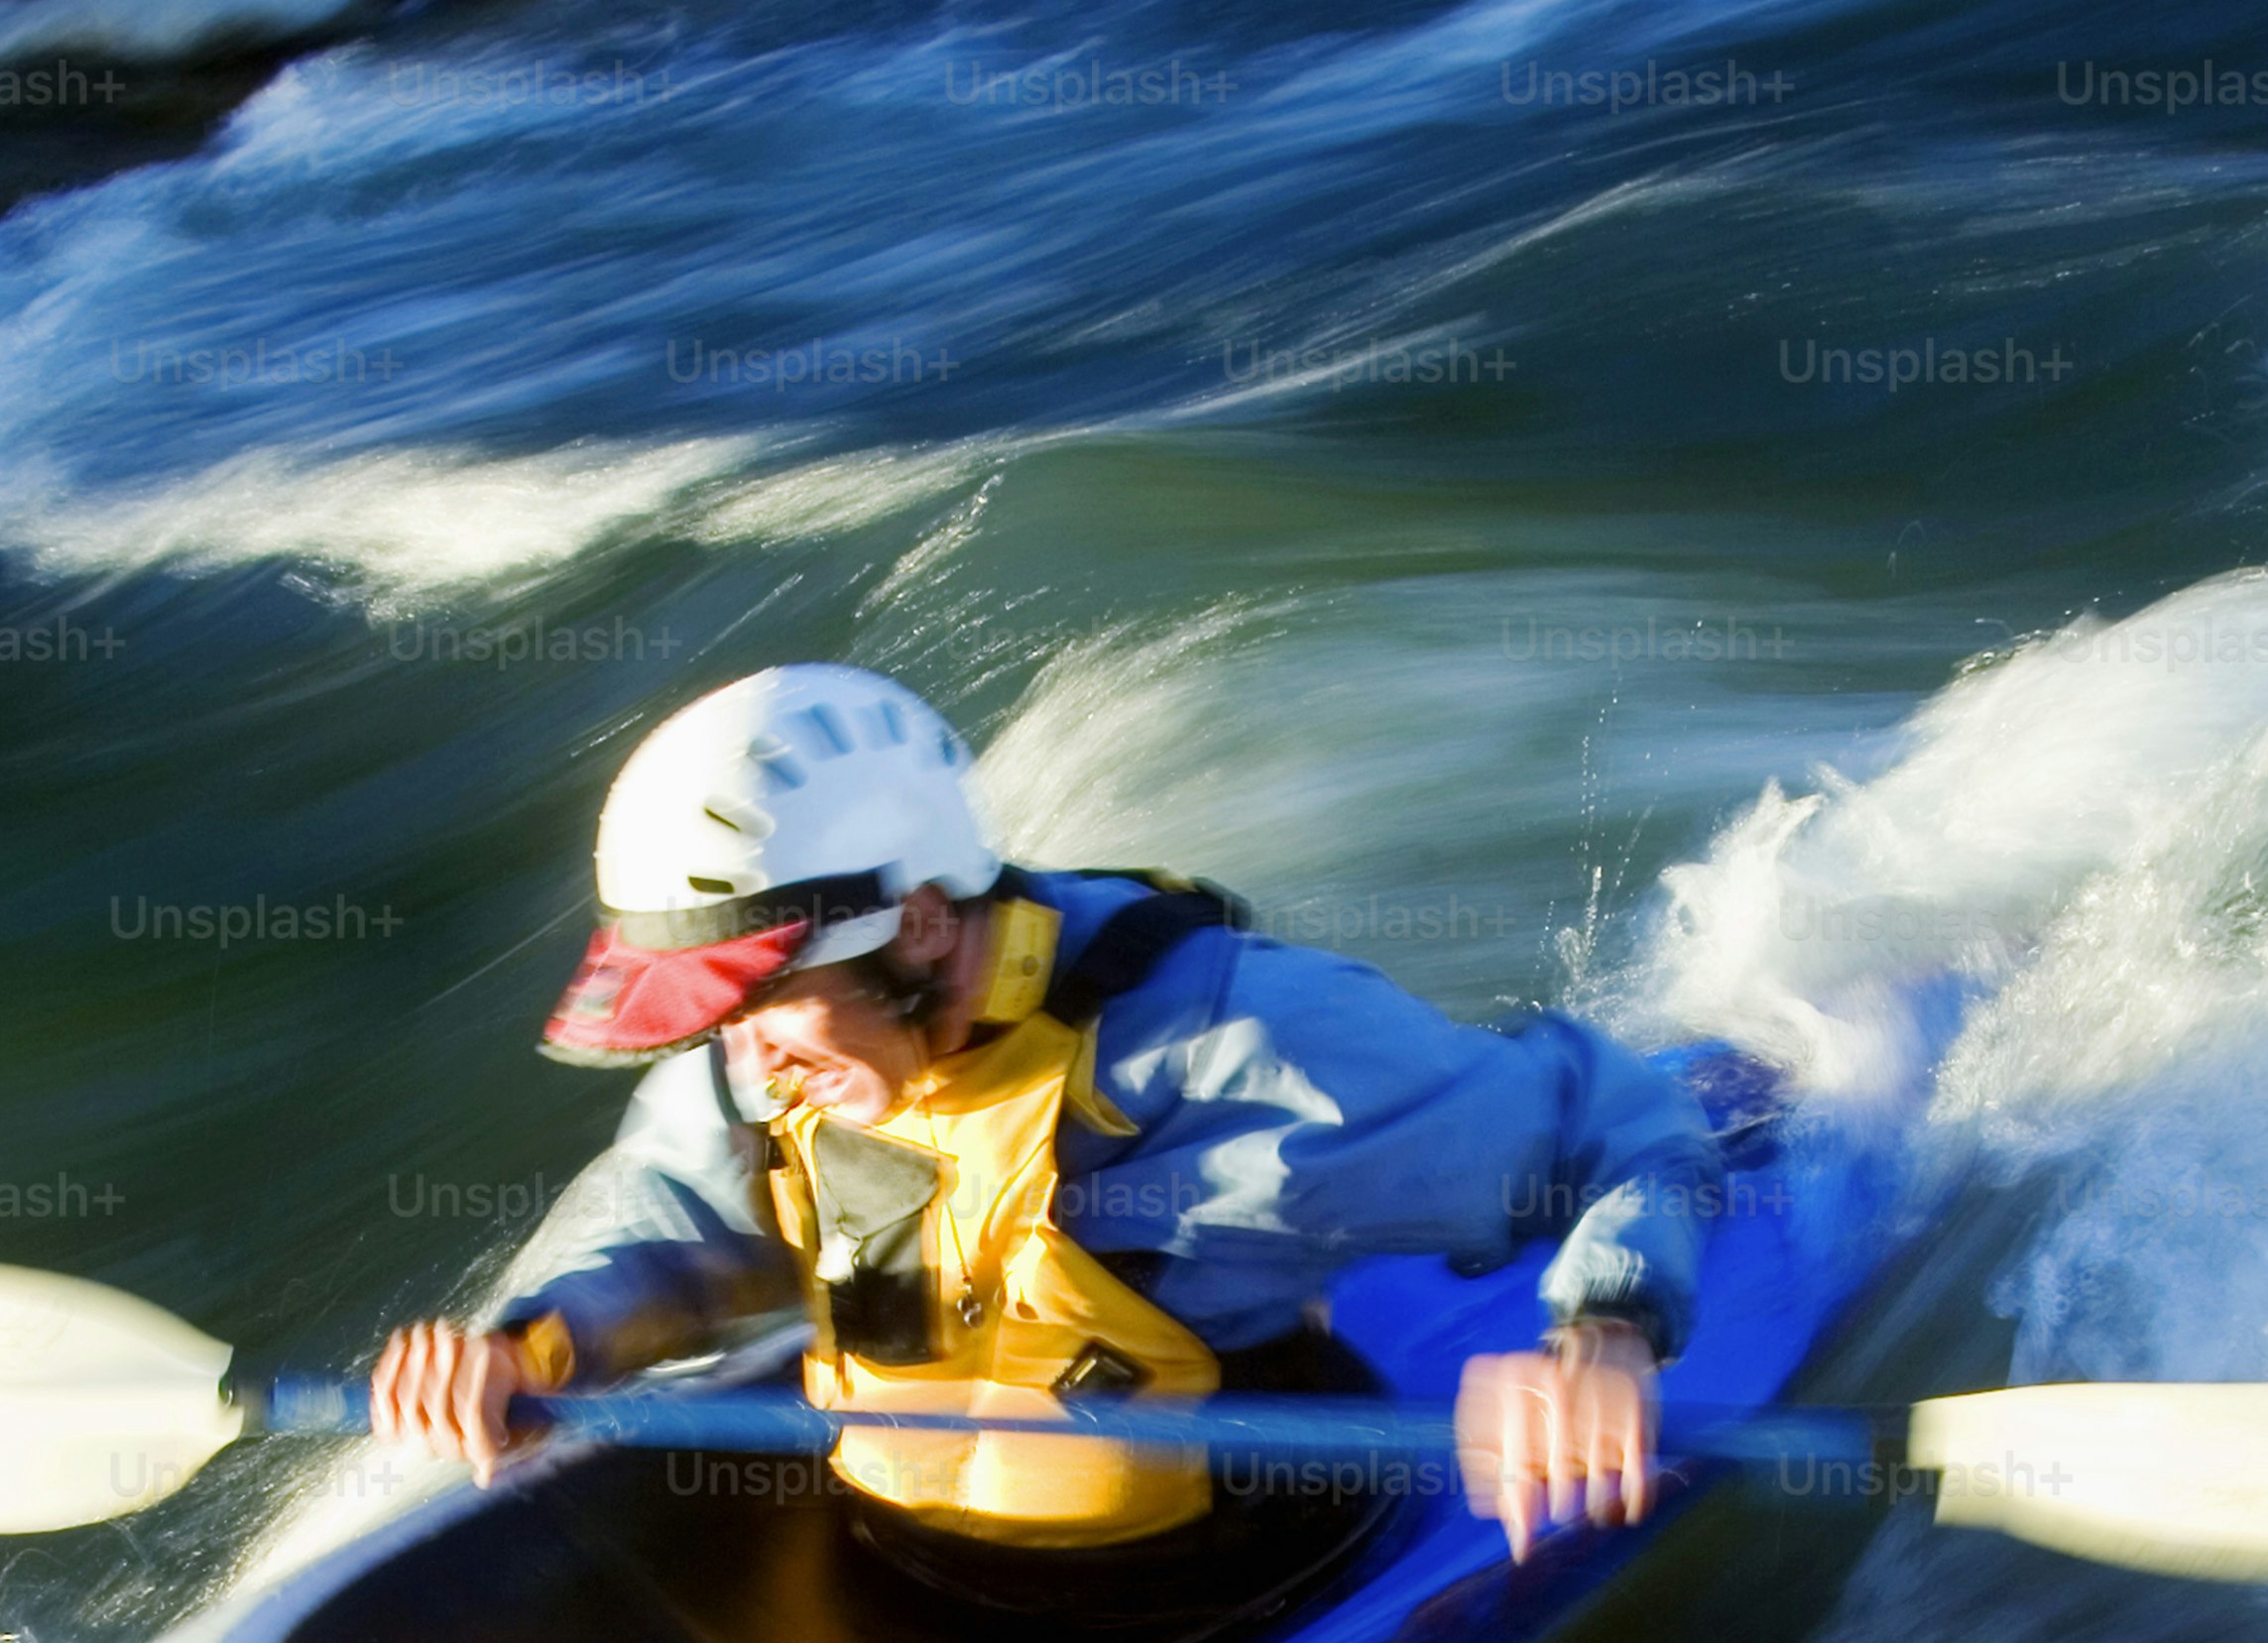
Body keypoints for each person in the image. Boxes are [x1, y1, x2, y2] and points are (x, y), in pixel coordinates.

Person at [372, 663, 1715, 1569]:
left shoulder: (1247, 1053)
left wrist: (1604, 1333)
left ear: (920, 921)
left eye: (766, 1005)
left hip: (1199, 1571)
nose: (743, 1062)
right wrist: (537, 1346)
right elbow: (673, 1240)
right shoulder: (763, 1067)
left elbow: (1622, 1133)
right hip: (893, 1541)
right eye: (712, 1016)